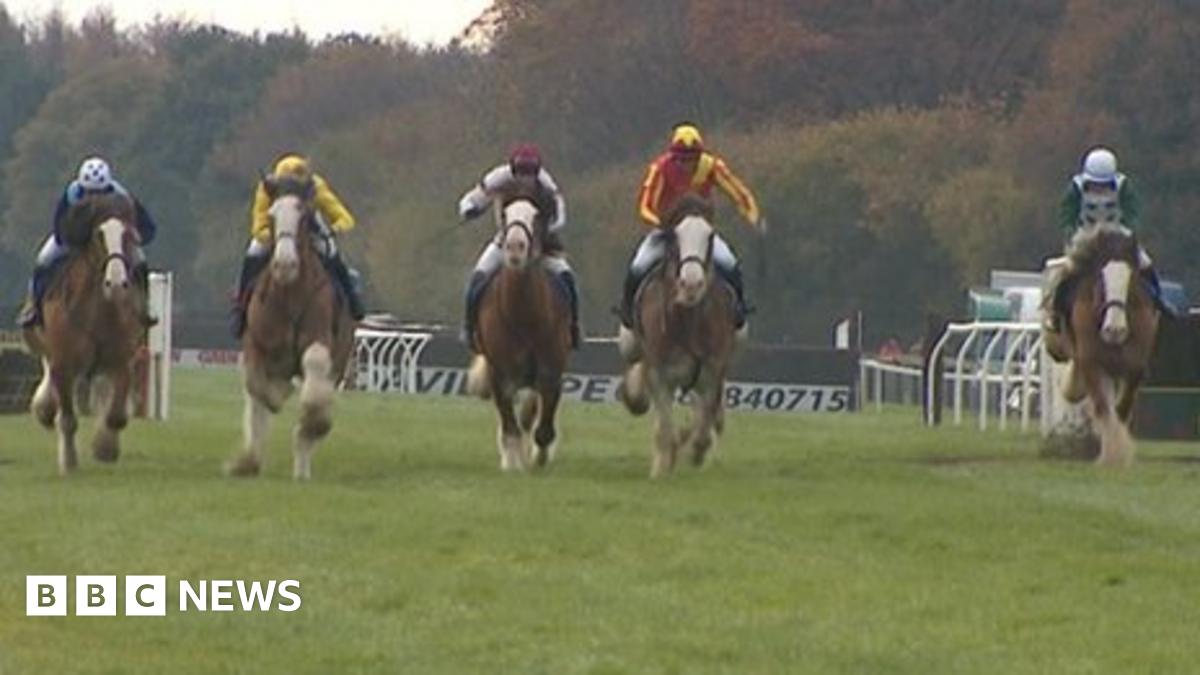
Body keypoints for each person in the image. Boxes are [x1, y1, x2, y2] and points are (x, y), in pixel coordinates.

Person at [618, 123, 765, 332]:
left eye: (691, 159)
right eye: (681, 159)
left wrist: (753, 216)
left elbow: (739, 194)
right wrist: (661, 224)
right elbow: (645, 205)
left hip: (700, 232)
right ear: (674, 157)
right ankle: (628, 313)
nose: (687, 164)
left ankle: (738, 311)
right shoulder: (660, 168)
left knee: (730, 264)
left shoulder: (711, 166)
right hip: (667, 231)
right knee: (638, 266)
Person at [457, 143, 581, 349]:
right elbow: (474, 198)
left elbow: (560, 214)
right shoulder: (499, 178)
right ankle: (470, 328)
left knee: (567, 279)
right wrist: (469, 209)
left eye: (530, 173)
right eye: (522, 172)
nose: (526, 178)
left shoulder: (546, 184)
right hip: (503, 243)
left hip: (539, 246)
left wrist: (549, 229)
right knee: (477, 279)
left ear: (537, 171)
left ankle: (573, 327)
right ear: (513, 170)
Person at [231, 153, 365, 338]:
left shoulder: (315, 186)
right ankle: (240, 308)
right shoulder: (267, 188)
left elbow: (343, 217)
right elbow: (259, 223)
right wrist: (274, 238)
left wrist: (334, 229)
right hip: (276, 231)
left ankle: (352, 300)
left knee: (332, 254)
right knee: (253, 254)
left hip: (308, 229)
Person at [16, 156, 158, 327]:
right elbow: (60, 223)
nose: (94, 198)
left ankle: (144, 308)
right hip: (74, 237)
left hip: (115, 240)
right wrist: (71, 241)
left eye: (99, 193)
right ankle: (34, 307)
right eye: (90, 192)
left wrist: (138, 237)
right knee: (43, 260)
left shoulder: (122, 196)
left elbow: (146, 223)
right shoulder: (72, 194)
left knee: (141, 262)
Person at [1043, 146, 1167, 332]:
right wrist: (1071, 233)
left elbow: (1134, 212)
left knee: (1146, 264)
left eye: (1104, 184)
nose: (1099, 188)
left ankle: (1159, 302)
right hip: (1086, 238)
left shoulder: (1124, 187)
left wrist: (1129, 231)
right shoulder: (1076, 188)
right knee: (1066, 271)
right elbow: (1066, 213)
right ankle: (1056, 311)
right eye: (1094, 184)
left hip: (1118, 236)